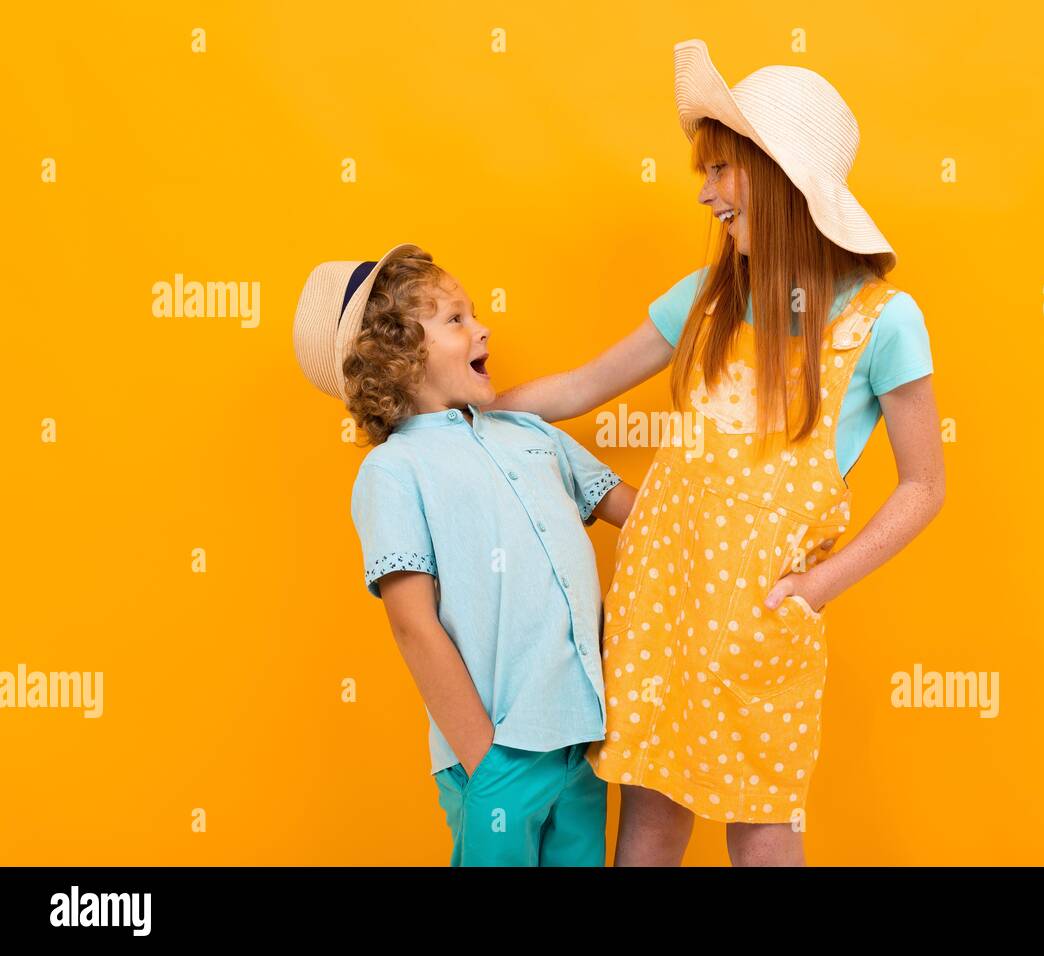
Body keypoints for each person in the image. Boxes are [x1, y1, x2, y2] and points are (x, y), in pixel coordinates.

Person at [488, 40, 945, 866]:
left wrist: (814, 589)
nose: (703, 194)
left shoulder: (883, 321)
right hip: (659, 599)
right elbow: (579, 387)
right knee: (653, 817)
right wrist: (471, 409)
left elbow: (923, 486)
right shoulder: (708, 300)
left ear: (778, 175)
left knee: (762, 825)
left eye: (721, 171)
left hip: (763, 616)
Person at [292, 242, 637, 865]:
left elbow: (642, 519)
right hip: (498, 754)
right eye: (455, 319)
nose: (483, 327)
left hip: (581, 742)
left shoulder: (532, 433)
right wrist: (483, 757)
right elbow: (412, 622)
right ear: (397, 355)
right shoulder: (394, 471)